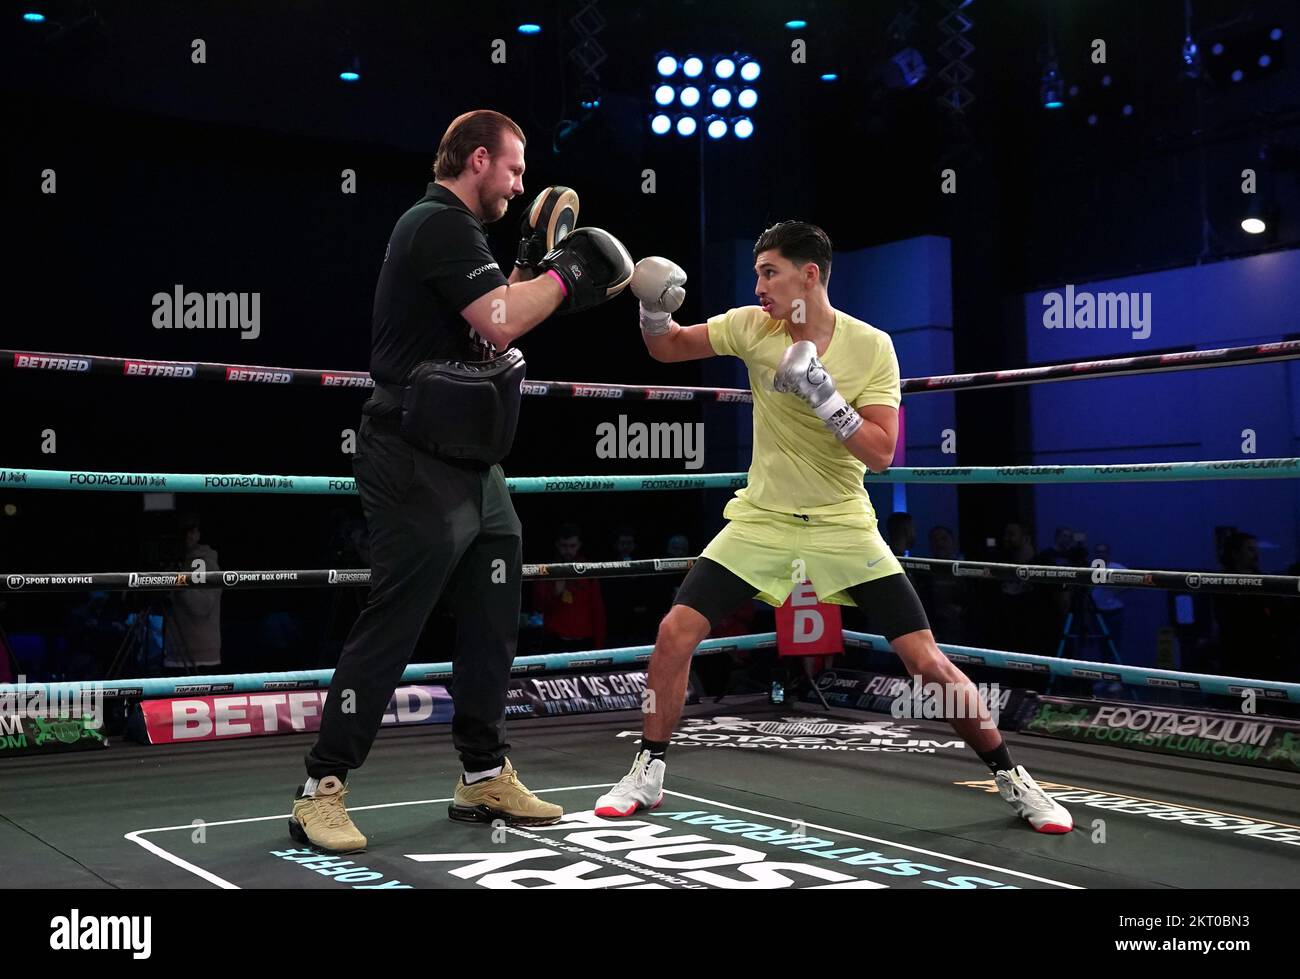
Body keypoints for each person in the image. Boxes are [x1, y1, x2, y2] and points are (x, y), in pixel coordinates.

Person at [592, 221, 1071, 834]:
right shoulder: (750, 325)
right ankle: (647, 769)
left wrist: (823, 393)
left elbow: (880, 453)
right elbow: (668, 348)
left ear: (809, 275)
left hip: (843, 525)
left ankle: (1012, 778)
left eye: (769, 272)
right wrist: (652, 312)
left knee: (925, 661)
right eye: (757, 273)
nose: (758, 284)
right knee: (675, 632)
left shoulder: (872, 346)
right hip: (761, 519)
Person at [290, 108, 634, 854]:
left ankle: (483, 771)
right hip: (411, 453)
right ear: (477, 159)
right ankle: (321, 787)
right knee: (396, 620)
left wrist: (530, 271)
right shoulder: (436, 221)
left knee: (492, 617)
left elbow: (484, 325)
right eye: (513, 169)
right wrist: (566, 274)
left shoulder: (462, 233)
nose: (520, 184)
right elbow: (506, 321)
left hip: (472, 460)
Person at [531, 524, 607, 651]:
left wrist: (600, 646)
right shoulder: (545, 570)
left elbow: (597, 609)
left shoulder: (589, 569)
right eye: (564, 546)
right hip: (554, 640)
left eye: (572, 546)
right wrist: (555, 594)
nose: (568, 550)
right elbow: (538, 607)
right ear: (557, 545)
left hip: (584, 641)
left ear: (579, 545)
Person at [164, 515, 222, 672]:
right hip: (173, 653)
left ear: (198, 534)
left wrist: (178, 580)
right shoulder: (177, 562)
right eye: (182, 533)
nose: (187, 537)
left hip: (200, 657)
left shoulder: (201, 562)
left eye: (192, 532)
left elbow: (201, 606)